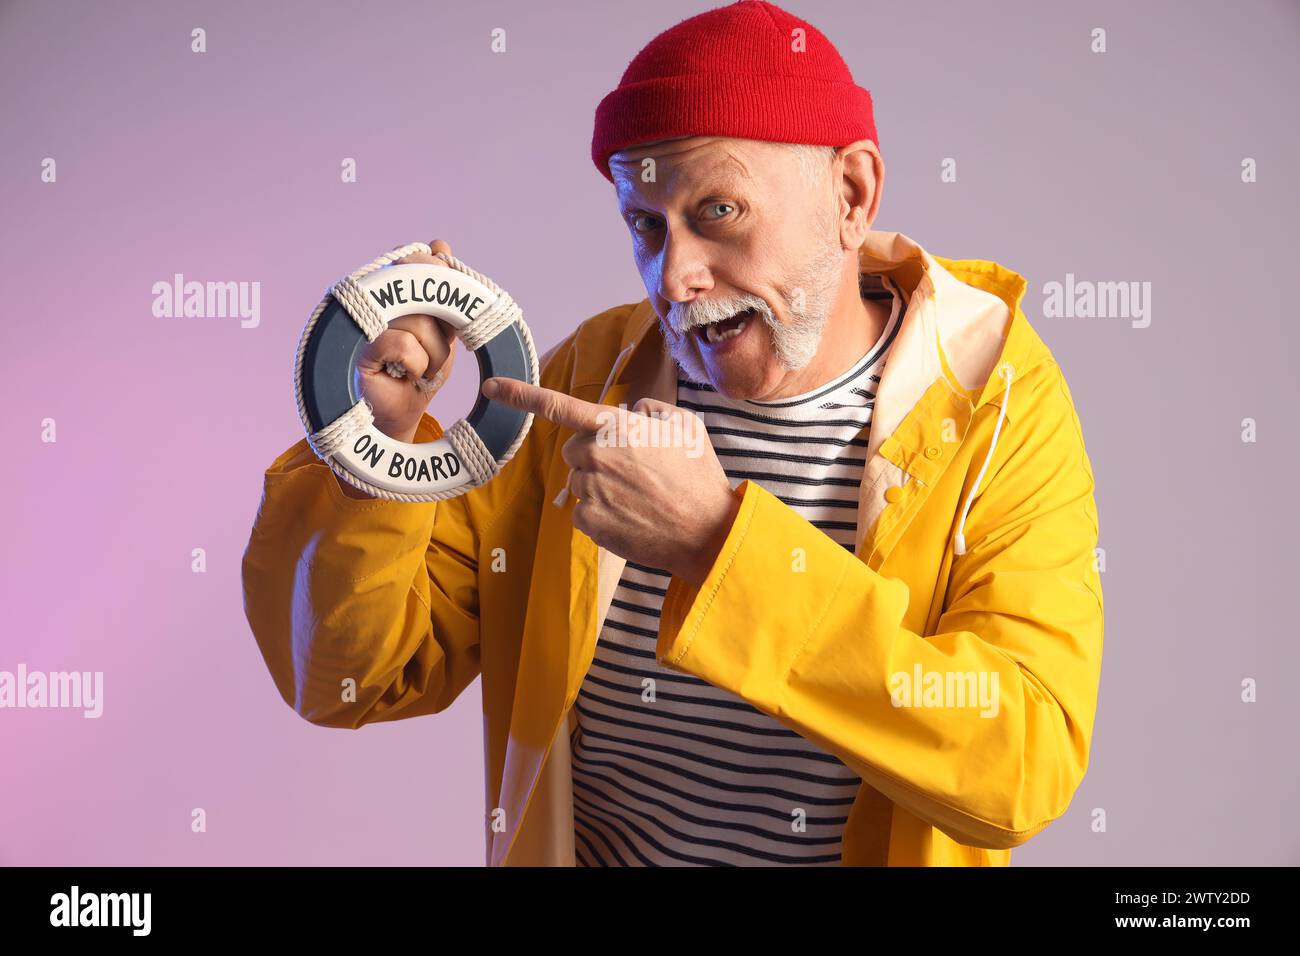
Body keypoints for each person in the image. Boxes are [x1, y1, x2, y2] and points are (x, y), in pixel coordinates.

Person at [241, 0, 1104, 866]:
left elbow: (1022, 767)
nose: (677, 277)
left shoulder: (994, 406)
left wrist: (716, 547)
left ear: (852, 194)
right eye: (646, 225)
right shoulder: (590, 378)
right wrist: (375, 444)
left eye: (719, 212)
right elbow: (354, 682)